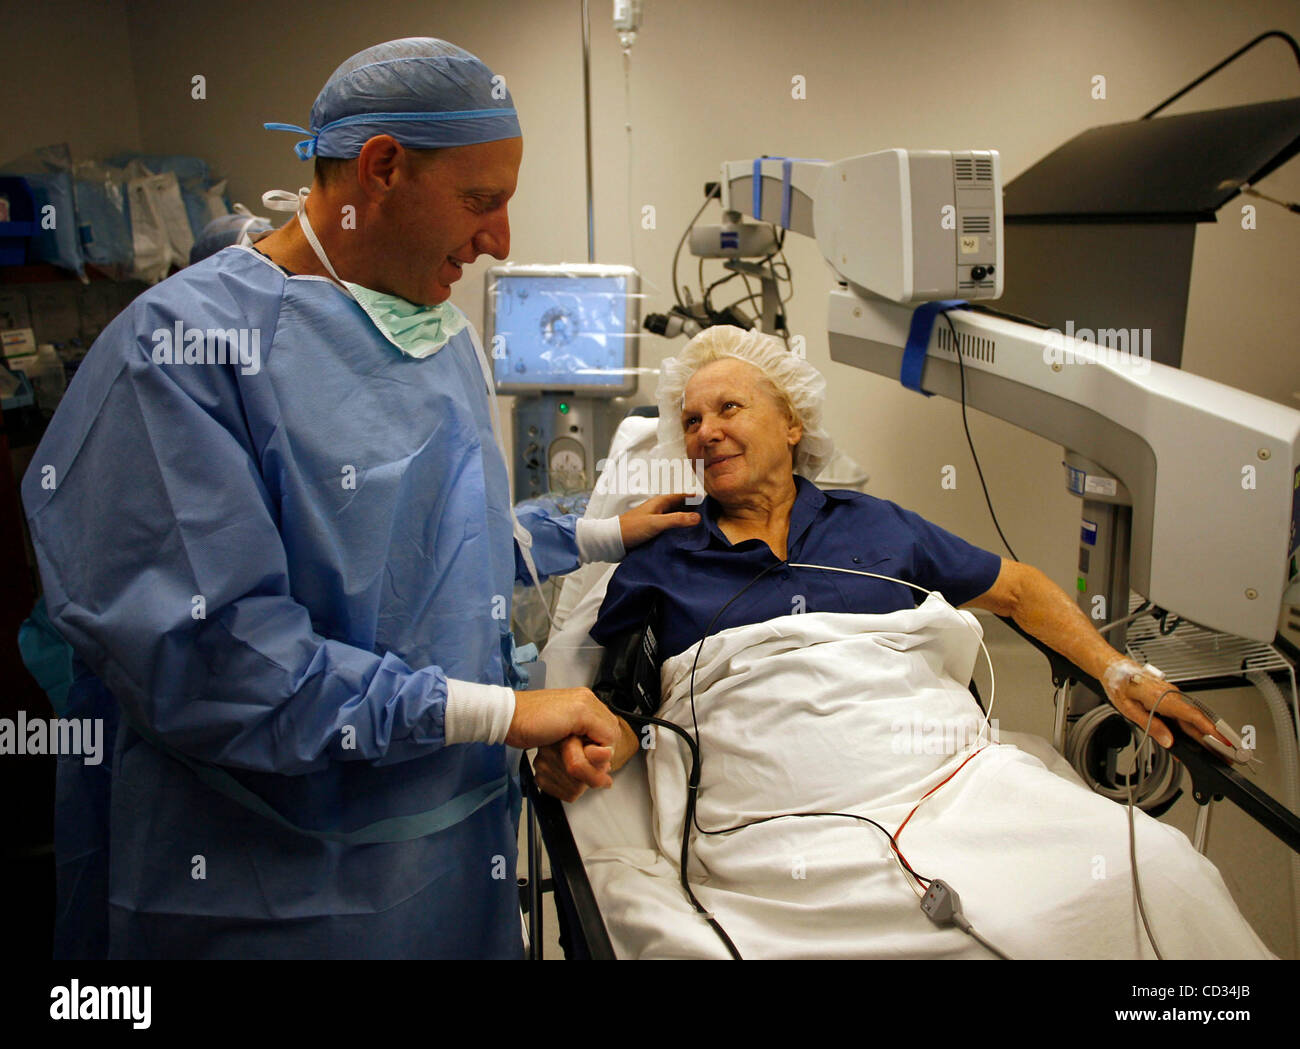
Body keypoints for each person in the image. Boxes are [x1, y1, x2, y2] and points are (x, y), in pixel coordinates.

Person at [21, 37, 697, 960]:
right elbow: (222, 665)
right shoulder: (181, 361)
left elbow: (431, 560)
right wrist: (501, 714)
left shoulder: (434, 332)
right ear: (381, 167)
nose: (499, 240)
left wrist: (591, 542)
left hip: (454, 857)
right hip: (267, 884)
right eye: (480, 201)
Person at [532, 324, 1234, 800]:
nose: (705, 431)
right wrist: (595, 751)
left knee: (1156, 881)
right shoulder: (664, 555)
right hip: (770, 813)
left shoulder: (876, 526)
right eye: (690, 420)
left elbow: (1017, 590)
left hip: (935, 779)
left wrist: (1117, 670)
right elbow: (623, 703)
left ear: (792, 422)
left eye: (728, 408)